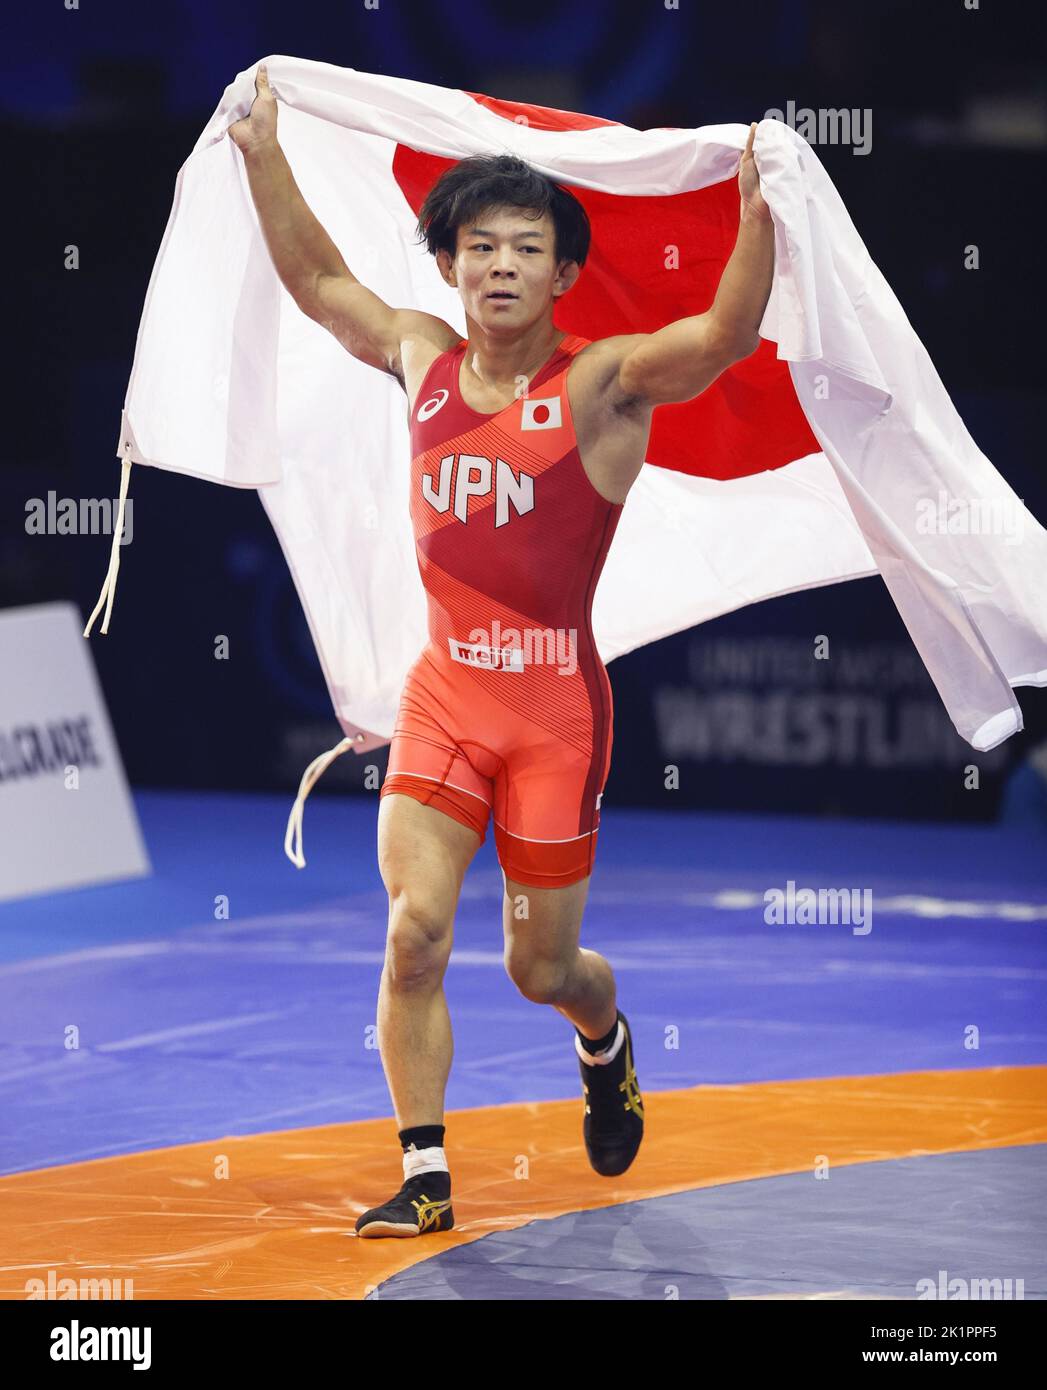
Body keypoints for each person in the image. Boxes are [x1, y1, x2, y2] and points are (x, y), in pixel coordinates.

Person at [229, 64, 774, 1238]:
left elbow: (727, 334)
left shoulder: (603, 385)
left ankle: (604, 1034)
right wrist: (259, 151)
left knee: (542, 970)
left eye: (527, 249)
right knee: (413, 930)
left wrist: (762, 206)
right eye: (482, 247)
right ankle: (426, 1173)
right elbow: (319, 280)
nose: (502, 267)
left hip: (552, 717)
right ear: (450, 262)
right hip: (442, 696)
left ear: (563, 271)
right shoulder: (421, 356)